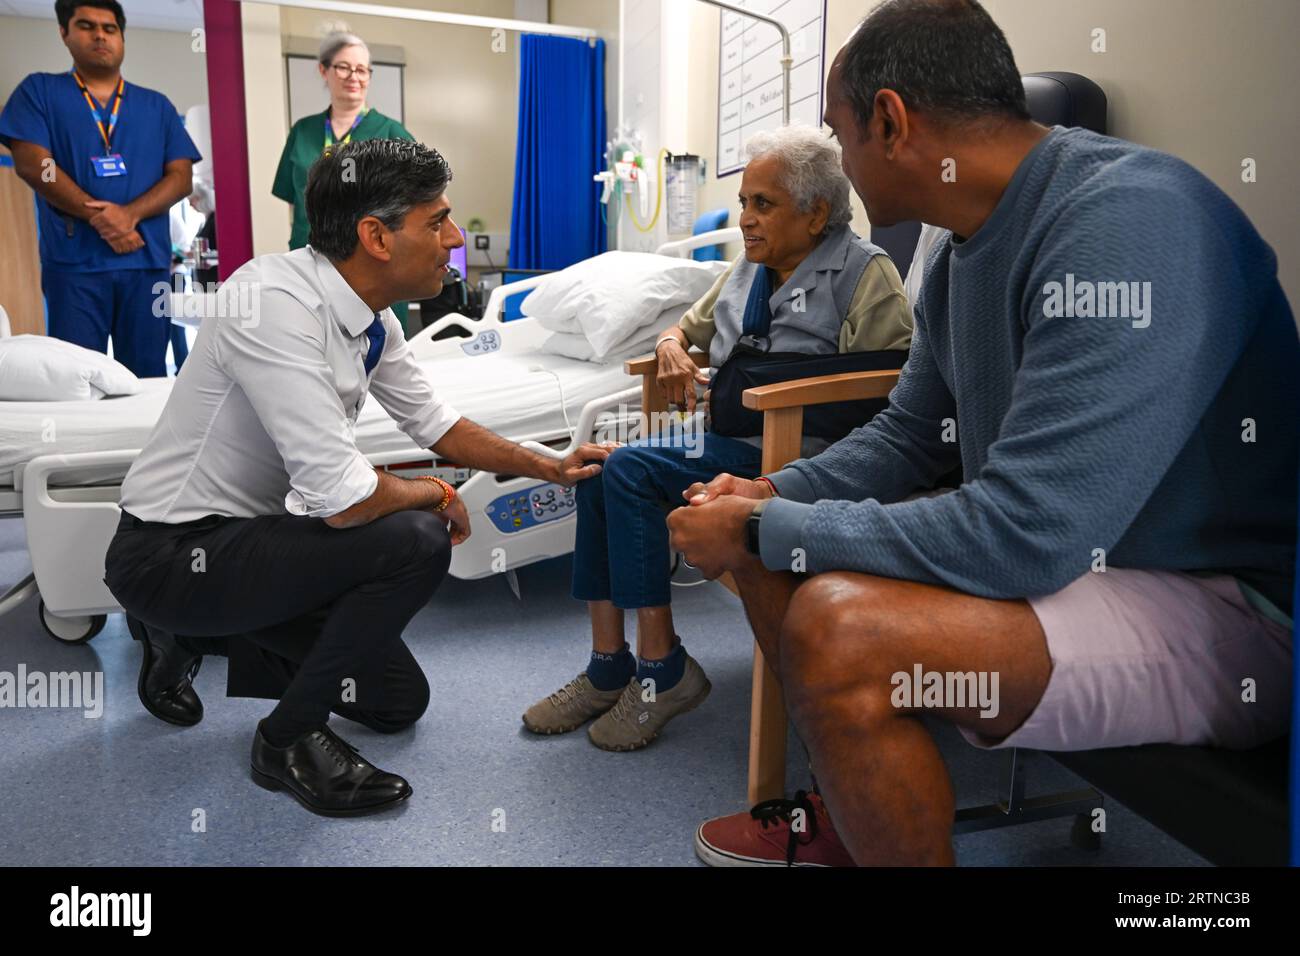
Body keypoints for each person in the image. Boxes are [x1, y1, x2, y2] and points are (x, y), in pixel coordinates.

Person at [671, 0, 1297, 866]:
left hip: (1227, 605)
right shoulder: (958, 249)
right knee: (772, 553)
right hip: (1081, 562)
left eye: (840, 134)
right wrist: (768, 494)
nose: (840, 163)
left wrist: (760, 524)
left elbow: (1026, 533)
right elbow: (909, 436)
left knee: (839, 625)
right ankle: (860, 808)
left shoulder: (1129, 219)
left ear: (890, 121)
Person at [103, 139, 612, 818]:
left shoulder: (373, 320)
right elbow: (343, 502)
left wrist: (547, 464)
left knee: (396, 703)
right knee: (418, 539)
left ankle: (193, 636)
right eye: (437, 222)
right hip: (171, 553)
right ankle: (283, 741)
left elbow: (436, 424)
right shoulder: (271, 302)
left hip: (253, 544)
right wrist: (438, 493)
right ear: (375, 236)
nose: (455, 240)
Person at [521, 126, 913, 752]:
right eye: (744, 203)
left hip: (797, 455)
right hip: (727, 439)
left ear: (816, 214)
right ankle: (608, 666)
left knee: (630, 469)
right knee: (601, 469)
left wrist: (778, 397)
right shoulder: (747, 267)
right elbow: (686, 327)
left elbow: (889, 386)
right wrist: (670, 347)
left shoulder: (865, 274)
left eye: (764, 204)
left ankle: (662, 672)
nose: (747, 218)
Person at [0, 0, 200, 377]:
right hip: (75, 265)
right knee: (74, 376)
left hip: (145, 264)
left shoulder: (156, 107)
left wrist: (129, 216)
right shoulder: (40, 92)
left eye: (110, 29)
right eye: (86, 26)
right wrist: (100, 217)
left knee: (148, 374)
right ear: (64, 33)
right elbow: (36, 166)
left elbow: (181, 178)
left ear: (122, 38)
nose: (100, 36)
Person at [272, 30, 417, 331]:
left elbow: (418, 200)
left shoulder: (391, 133)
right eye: (343, 67)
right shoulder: (303, 131)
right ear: (323, 70)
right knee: (311, 342)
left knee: (375, 349)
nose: (354, 77)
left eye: (362, 69)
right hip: (310, 263)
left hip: (373, 266)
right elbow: (294, 200)